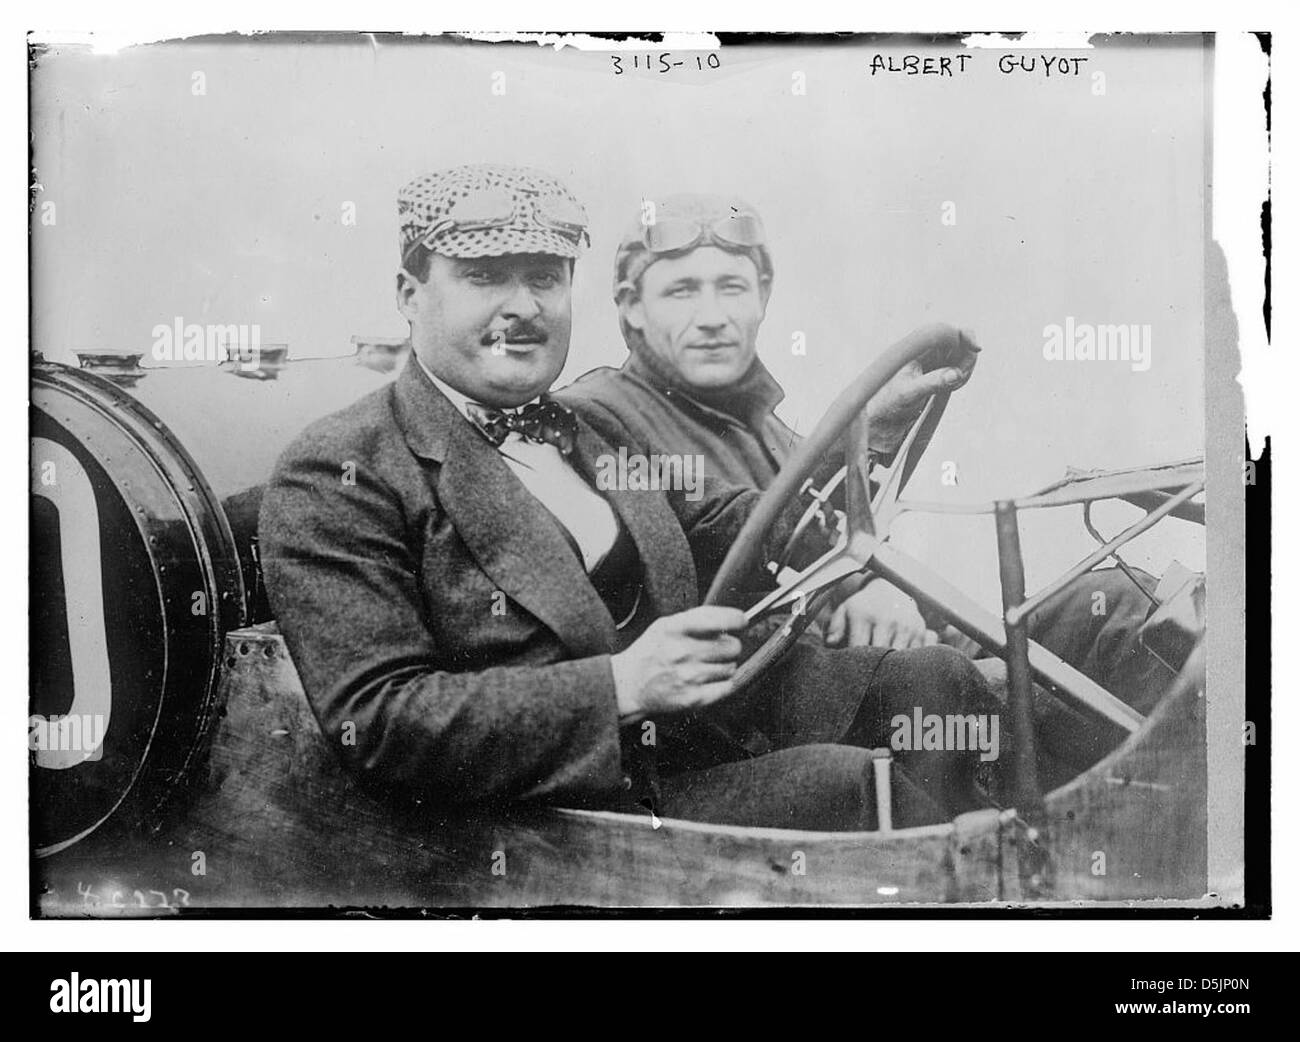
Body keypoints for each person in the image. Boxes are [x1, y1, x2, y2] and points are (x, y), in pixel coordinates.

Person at [259, 164, 1002, 832]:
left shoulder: (589, 430)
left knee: (934, 681)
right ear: (408, 294)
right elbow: (380, 723)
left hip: (699, 730)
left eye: (545, 278)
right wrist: (623, 685)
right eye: (486, 277)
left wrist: (866, 437)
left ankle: (970, 863)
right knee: (845, 792)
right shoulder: (339, 471)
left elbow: (734, 522)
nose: (525, 307)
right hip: (552, 805)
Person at [556, 193, 1175, 790]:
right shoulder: (598, 418)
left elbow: (836, 538)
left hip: (882, 650)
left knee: (1116, 603)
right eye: (682, 291)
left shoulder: (769, 425)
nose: (713, 316)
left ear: (763, 297)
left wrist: (876, 584)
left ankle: (1178, 819)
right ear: (631, 307)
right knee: (957, 694)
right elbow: (693, 565)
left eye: (732, 287)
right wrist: (845, 582)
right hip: (774, 698)